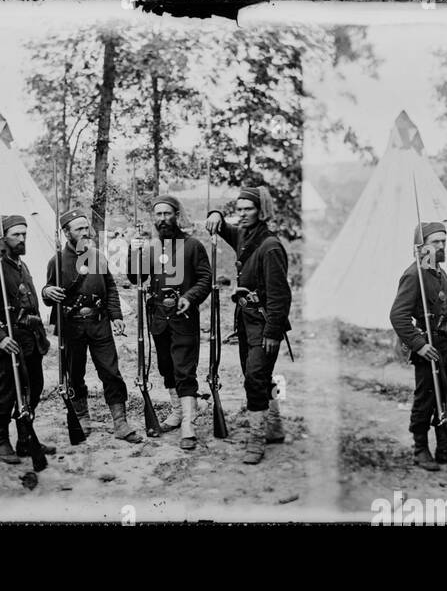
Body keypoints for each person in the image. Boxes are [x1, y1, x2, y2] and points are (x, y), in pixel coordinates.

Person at [203, 186, 292, 464]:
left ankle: (257, 438)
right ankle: (275, 427)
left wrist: (273, 332)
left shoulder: (270, 246)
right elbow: (223, 228)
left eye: (248, 209)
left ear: (261, 211)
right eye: (238, 209)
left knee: (254, 377)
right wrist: (216, 213)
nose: (241, 215)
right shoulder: (244, 234)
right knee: (256, 374)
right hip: (245, 321)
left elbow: (280, 296)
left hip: (265, 323)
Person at [41, 208, 142, 443]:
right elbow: (47, 294)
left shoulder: (97, 256)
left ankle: (120, 422)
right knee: (74, 374)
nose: (86, 232)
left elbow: (111, 288)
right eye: (80, 229)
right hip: (72, 327)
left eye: (87, 228)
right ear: (67, 233)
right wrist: (47, 291)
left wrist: (116, 316)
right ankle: (82, 417)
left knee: (111, 372)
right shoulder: (56, 260)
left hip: (100, 324)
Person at [127, 196, 212, 449]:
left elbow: (205, 279)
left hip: (183, 317)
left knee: (184, 368)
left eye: (167, 214)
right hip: (158, 319)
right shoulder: (151, 247)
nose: (162, 219)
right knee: (166, 367)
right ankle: (177, 412)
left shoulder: (192, 245)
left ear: (177, 215)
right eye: (158, 214)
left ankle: (188, 423)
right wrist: (134, 250)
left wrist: (189, 297)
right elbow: (135, 277)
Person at [0, 215, 56, 464]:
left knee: (34, 389)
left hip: (31, 341)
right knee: (7, 393)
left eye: (24, 234)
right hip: (11, 342)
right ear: (2, 239)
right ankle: (1, 441)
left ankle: (25, 439)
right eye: (16, 235)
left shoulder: (20, 264)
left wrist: (41, 337)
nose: (21, 239)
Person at [389, 222, 447, 471]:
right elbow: (398, 315)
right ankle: (420, 449)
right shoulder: (414, 275)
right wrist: (419, 345)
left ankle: (444, 447)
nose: (441, 246)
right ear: (420, 246)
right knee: (426, 399)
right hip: (430, 349)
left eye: (443, 241)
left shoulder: (439, 272)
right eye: (435, 242)